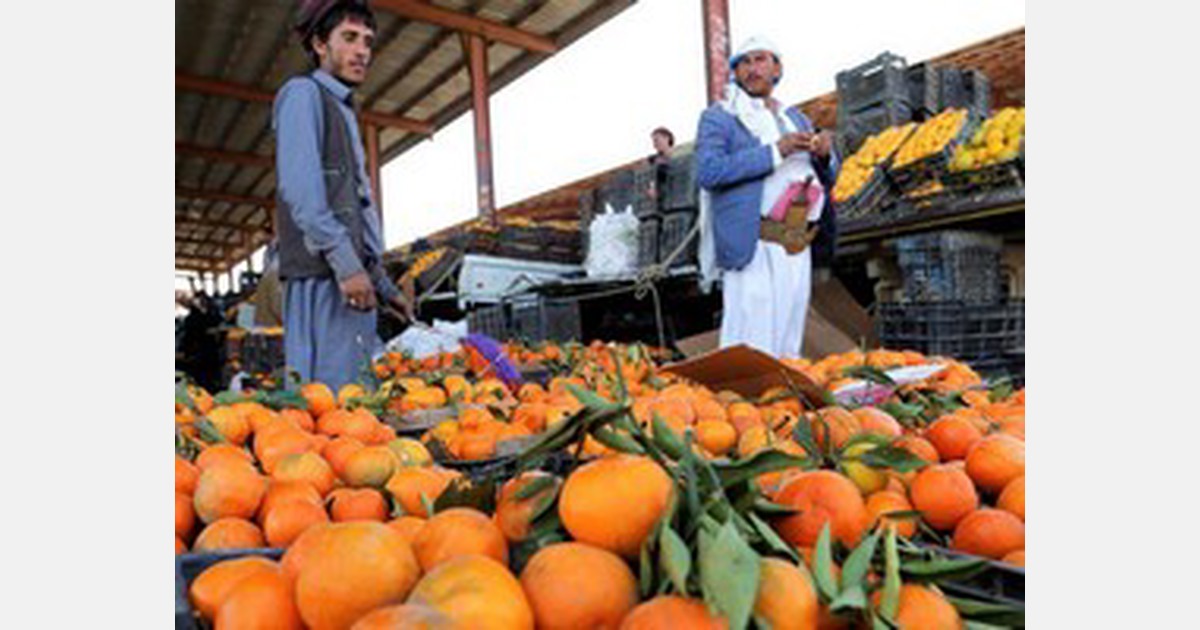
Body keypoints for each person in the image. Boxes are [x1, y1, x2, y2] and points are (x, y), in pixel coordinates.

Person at [274, 0, 412, 390]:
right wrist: (347, 265)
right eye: (349, 38)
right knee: (325, 405)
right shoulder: (303, 95)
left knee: (354, 406)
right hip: (323, 278)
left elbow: (359, 203)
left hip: (351, 283)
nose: (362, 51)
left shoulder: (343, 110)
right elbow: (302, 192)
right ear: (320, 44)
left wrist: (382, 285)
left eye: (367, 41)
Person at [694, 36, 840, 359]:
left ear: (777, 68)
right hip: (755, 243)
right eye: (743, 63)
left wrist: (827, 155)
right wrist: (777, 150)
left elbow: (829, 176)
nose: (751, 69)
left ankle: (780, 405)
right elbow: (708, 171)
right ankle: (741, 405)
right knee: (751, 341)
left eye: (760, 60)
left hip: (796, 244)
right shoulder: (720, 117)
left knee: (788, 341)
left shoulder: (796, 118)